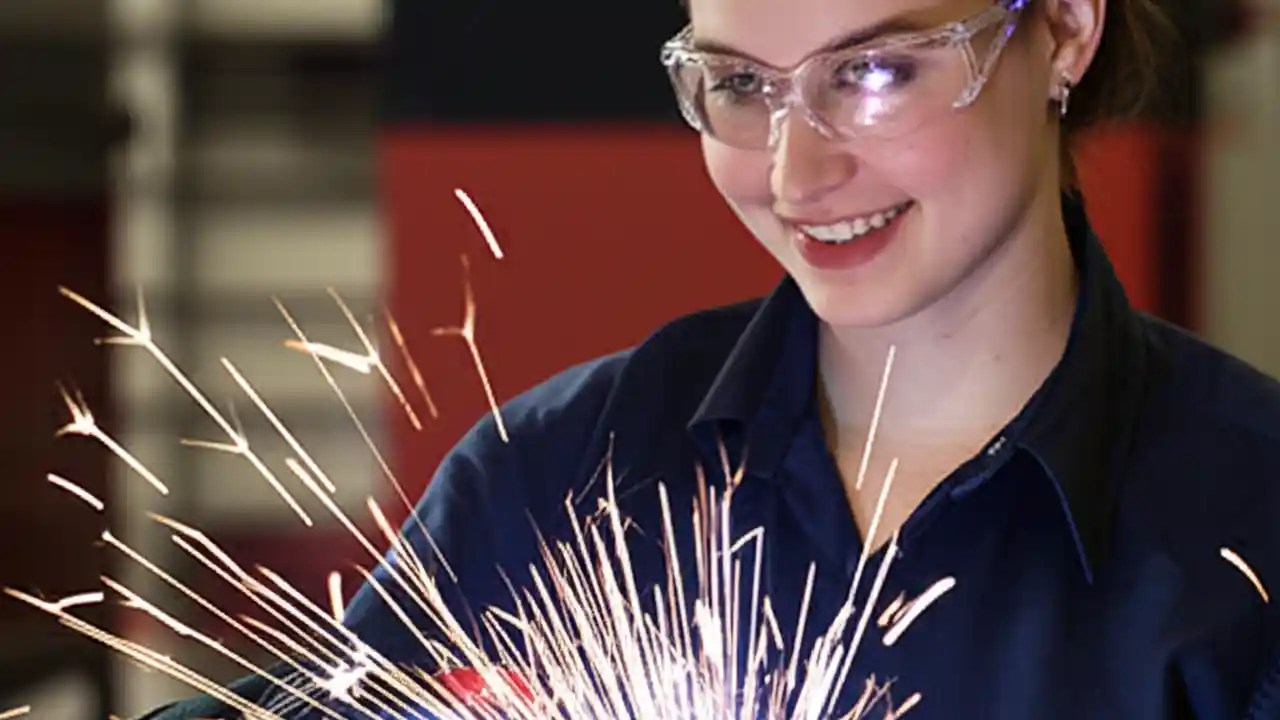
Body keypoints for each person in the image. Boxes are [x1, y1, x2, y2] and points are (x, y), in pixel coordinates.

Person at [143, 0, 1280, 717]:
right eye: (740, 85)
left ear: (1064, 30)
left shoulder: (1250, 520)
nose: (793, 175)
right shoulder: (550, 482)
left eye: (872, 72)